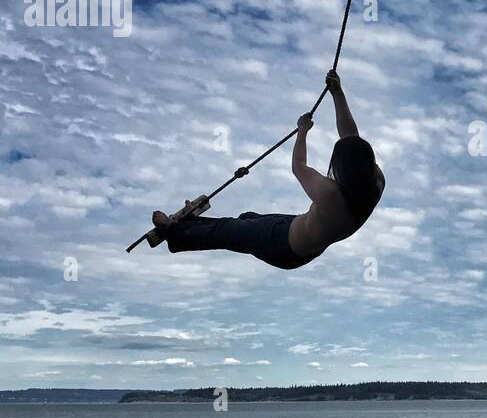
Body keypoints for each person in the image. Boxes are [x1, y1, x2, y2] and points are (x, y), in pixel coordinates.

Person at [153, 70, 384, 269]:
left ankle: (173, 232)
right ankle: (190, 223)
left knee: (227, 231)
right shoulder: (374, 184)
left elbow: (298, 167)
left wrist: (302, 130)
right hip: (302, 239)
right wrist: (338, 93)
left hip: (281, 244)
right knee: (246, 219)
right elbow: (351, 137)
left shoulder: (330, 195)